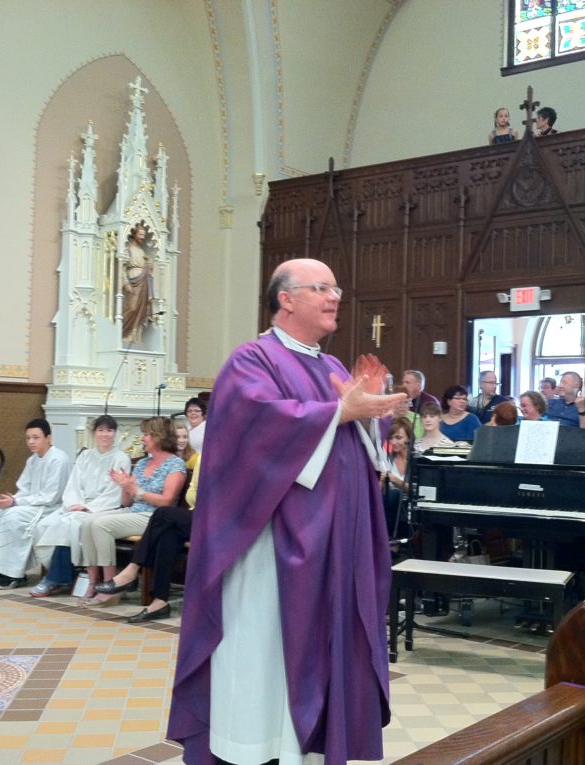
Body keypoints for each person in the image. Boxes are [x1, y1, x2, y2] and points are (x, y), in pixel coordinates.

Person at [168, 258, 406, 763]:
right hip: (273, 543)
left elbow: (356, 440)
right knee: (266, 646)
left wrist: (375, 414)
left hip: (332, 543)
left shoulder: (333, 366)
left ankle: (311, 744)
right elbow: (252, 429)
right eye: (320, 288)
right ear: (286, 299)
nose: (334, 296)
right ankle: (252, 746)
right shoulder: (252, 360)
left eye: (336, 287)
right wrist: (342, 411)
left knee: (322, 642)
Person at [79, 416, 186, 605]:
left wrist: (137, 490)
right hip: (134, 511)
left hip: (155, 518)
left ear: (158, 436)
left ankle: (112, 585)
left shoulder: (175, 464)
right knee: (87, 521)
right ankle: (92, 581)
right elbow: (127, 502)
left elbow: (167, 501)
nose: (143, 438)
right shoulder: (144, 463)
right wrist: (124, 486)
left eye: (146, 435)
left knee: (101, 526)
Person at [29, 415, 130, 597]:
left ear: (115, 433)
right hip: (77, 505)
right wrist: (76, 503)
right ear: (94, 433)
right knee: (43, 525)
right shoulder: (86, 456)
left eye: (109, 430)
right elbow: (74, 483)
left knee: (70, 526)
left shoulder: (120, 458)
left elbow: (114, 492)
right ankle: (62, 574)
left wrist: (88, 508)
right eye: (100, 430)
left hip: (102, 509)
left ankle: (55, 579)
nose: (104, 434)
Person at [96, 452, 203, 622]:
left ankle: (131, 570)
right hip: (198, 516)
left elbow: (215, 500)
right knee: (168, 534)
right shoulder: (203, 456)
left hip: (219, 521)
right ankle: (159, 602)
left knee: (162, 514)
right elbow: (192, 494)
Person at [0, 419, 71, 589]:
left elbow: (51, 496)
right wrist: (10, 501)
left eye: (36, 437)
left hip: (50, 508)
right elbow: (23, 487)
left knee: (13, 517)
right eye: (28, 438)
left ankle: (13, 574)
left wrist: (16, 502)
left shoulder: (59, 459)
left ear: (48, 437)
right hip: (31, 504)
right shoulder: (32, 460)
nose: (31, 442)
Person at [121, 221, 155, 343]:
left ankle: (135, 335)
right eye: (140, 234)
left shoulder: (141, 251)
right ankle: (125, 332)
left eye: (144, 235)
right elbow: (121, 267)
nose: (142, 237)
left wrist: (149, 265)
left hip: (143, 283)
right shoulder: (128, 249)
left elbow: (148, 269)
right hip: (133, 281)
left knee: (141, 309)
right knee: (132, 307)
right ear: (134, 234)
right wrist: (125, 283)